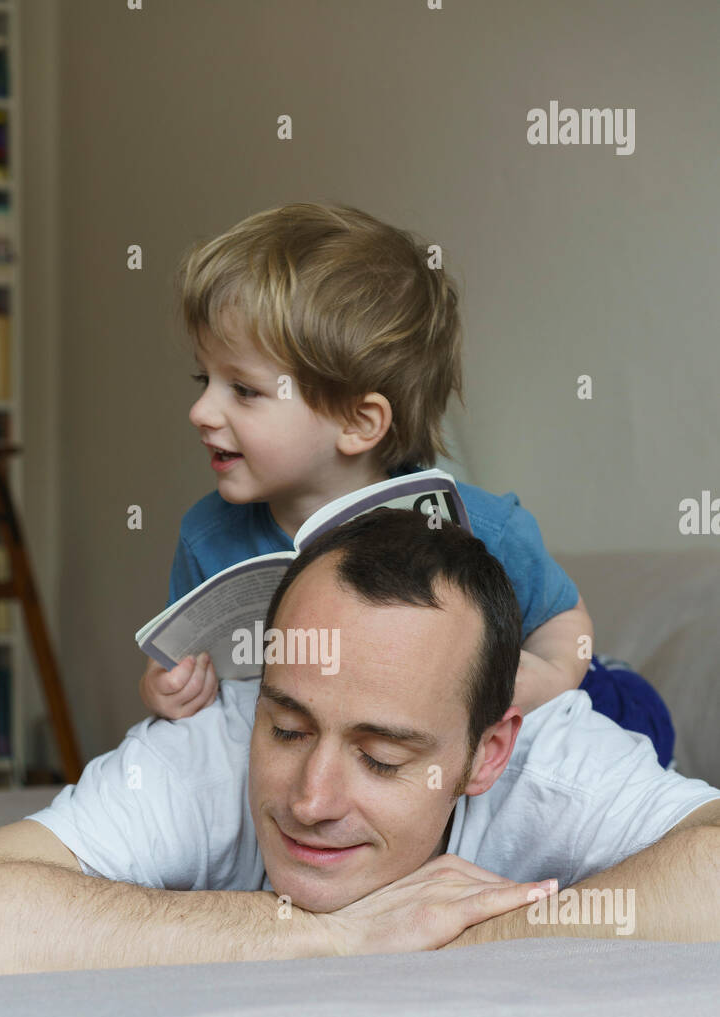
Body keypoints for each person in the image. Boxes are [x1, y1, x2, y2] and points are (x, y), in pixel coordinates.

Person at [0, 511, 718, 989]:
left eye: (383, 758)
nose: (310, 799)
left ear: (486, 753)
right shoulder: (213, 743)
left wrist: (461, 937)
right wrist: (332, 937)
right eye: (290, 728)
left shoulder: (550, 759)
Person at [139, 202, 674, 765]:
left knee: (620, 722)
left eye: (243, 390)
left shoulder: (477, 527)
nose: (201, 410)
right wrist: (165, 690)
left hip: (540, 709)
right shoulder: (207, 539)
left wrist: (547, 676)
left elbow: (563, 621)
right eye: (206, 379)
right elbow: (188, 671)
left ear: (357, 423)